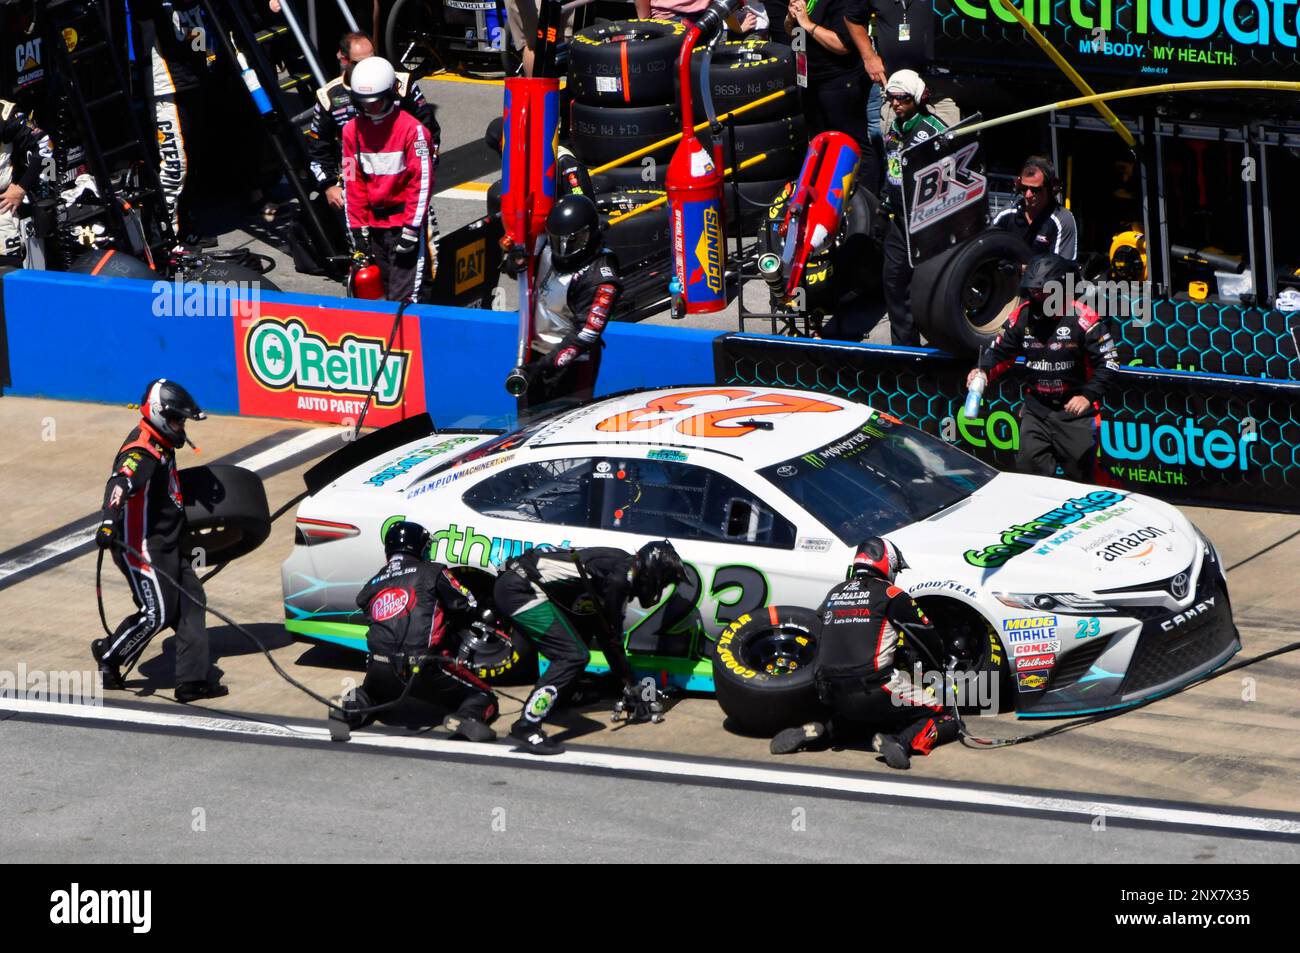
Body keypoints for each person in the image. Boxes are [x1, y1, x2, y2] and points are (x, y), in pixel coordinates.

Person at [92, 380, 227, 703]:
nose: (181, 426)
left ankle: (191, 682)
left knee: (192, 600)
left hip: (168, 542)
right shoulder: (141, 451)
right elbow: (120, 483)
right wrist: (109, 520)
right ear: (160, 415)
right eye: (178, 420)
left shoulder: (162, 442)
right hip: (141, 548)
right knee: (156, 613)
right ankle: (109, 654)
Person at [770, 537, 957, 769]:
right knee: (945, 715)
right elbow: (927, 638)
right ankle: (900, 743)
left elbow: (823, 634)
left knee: (861, 714)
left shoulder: (834, 594)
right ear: (886, 563)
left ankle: (821, 731)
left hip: (830, 690)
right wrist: (936, 668)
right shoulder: (892, 595)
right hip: (875, 686)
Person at [494, 541, 686, 754]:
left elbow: (603, 631)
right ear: (654, 573)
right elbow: (610, 637)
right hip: (520, 590)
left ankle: (563, 696)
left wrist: (628, 681)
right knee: (572, 656)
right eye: (664, 582)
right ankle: (527, 725)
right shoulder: (620, 578)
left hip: (523, 584)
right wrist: (631, 684)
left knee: (581, 633)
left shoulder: (620, 566)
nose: (661, 589)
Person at [337, 521, 499, 741]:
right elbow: (467, 603)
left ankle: (348, 710)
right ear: (420, 549)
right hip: (424, 665)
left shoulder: (371, 585)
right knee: (484, 695)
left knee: (369, 693)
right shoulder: (433, 572)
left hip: (379, 666)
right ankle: (466, 718)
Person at [967, 254, 1121, 482]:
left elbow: (1109, 363)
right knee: (1030, 471)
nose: (1036, 296)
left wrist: (1087, 396)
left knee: (1081, 477)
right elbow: (1000, 352)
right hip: (1036, 408)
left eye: (1042, 291)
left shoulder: (1084, 318)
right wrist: (982, 370)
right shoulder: (1022, 316)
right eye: (1033, 291)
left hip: (1075, 411)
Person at [511, 193, 622, 421]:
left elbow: (586, 335)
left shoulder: (601, 277)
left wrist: (542, 367)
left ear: (589, 236)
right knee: (525, 426)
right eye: (557, 241)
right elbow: (520, 269)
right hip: (534, 353)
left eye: (572, 242)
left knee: (562, 425)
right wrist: (514, 261)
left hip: (572, 365)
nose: (562, 249)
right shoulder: (545, 245)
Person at [306, 32, 439, 216]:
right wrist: (330, 186)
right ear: (344, 60)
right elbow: (319, 149)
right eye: (360, 63)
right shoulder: (329, 97)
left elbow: (429, 132)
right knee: (359, 241)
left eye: (372, 59)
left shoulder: (402, 84)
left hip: (402, 182)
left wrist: (421, 174)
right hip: (356, 185)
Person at [341, 56, 436, 303]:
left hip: (404, 225)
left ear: (391, 93)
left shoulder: (413, 131)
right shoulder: (351, 131)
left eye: (376, 102)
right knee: (370, 294)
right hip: (373, 229)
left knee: (406, 299)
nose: (370, 108)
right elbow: (351, 181)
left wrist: (412, 228)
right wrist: (356, 229)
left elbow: (422, 181)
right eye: (364, 103)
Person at [131, 1, 210, 240]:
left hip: (194, 76)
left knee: (194, 156)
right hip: (165, 84)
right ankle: (168, 239)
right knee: (176, 164)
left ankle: (185, 227)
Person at [879, 69, 946, 346]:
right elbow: (890, 169)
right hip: (898, 221)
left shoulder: (935, 130)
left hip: (928, 223)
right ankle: (903, 353)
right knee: (893, 283)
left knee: (927, 291)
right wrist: (883, 205)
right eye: (891, 98)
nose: (895, 104)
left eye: (902, 98)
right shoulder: (893, 128)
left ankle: (938, 347)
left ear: (917, 98)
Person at [785, 0, 879, 188]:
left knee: (853, 146)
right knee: (821, 146)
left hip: (839, 81)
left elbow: (843, 44)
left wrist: (808, 24)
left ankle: (869, 204)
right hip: (809, 81)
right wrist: (790, 18)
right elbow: (793, 32)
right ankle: (830, 202)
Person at [843, 0, 960, 145]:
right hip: (896, 96)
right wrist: (868, 56)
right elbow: (852, 17)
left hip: (940, 94)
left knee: (946, 152)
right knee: (895, 157)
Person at [991, 156, 1078, 261]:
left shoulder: (1064, 220)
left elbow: (1068, 268)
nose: (1028, 195)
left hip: (1050, 276)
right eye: (1024, 188)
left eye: (1035, 190)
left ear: (1050, 189)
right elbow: (982, 249)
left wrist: (1023, 269)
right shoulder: (1006, 215)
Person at [0, 101, 53, 267]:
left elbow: (45, 144)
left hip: (2, 208)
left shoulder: (5, 114)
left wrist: (22, 187)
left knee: (7, 281)